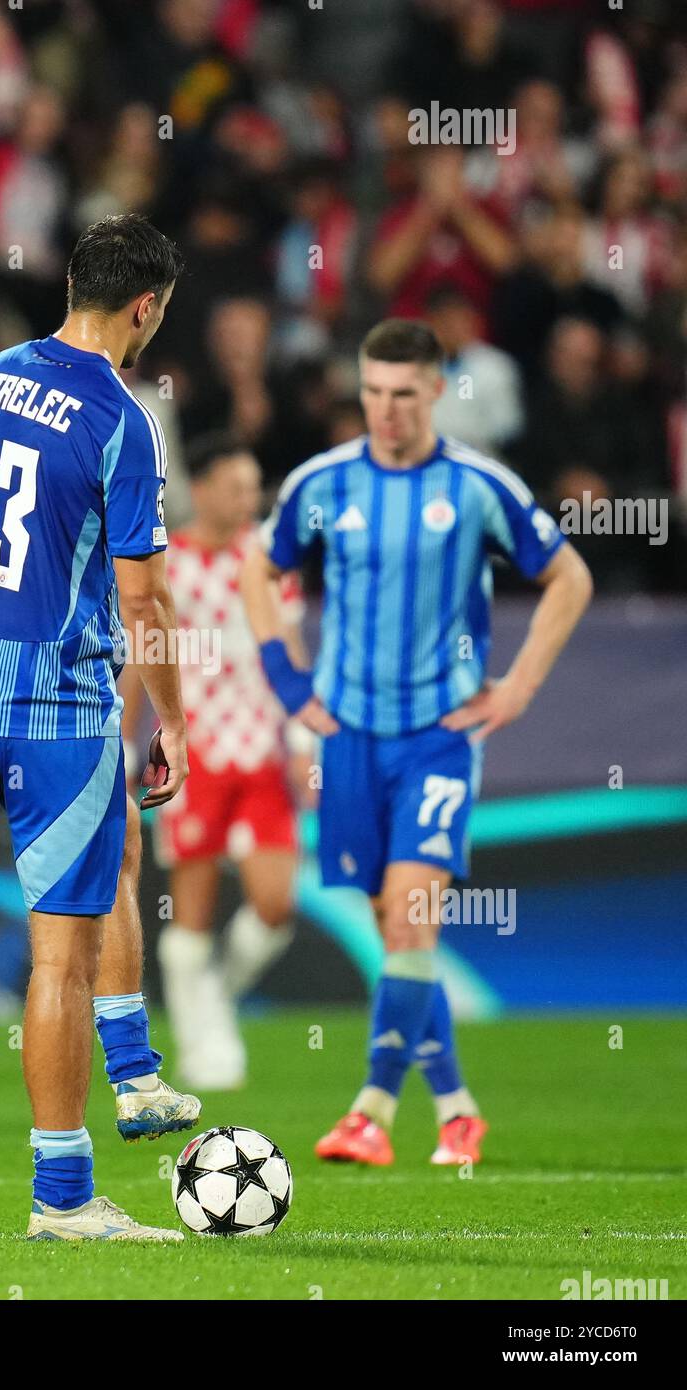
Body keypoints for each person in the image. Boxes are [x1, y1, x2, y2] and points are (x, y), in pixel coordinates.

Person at [242, 319, 593, 1167]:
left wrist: (518, 686)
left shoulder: (476, 486)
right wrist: (291, 686)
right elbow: (262, 568)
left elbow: (568, 577)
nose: (386, 410)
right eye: (371, 392)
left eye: (403, 394)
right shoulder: (324, 482)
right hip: (351, 737)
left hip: (438, 735)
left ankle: (369, 1110)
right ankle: (458, 1107)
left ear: (437, 391)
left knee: (409, 917)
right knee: (400, 931)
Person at [0, 213, 199, 1242]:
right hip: (55, 706)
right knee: (58, 954)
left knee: (113, 845)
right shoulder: (123, 418)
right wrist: (169, 721)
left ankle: (133, 1075)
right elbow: (146, 607)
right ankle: (64, 1197)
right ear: (144, 306)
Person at [120, 432, 306, 1090]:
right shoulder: (165, 563)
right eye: (235, 487)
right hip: (192, 757)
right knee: (190, 911)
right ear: (199, 490)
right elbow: (145, 654)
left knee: (275, 904)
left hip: (259, 752)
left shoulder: (269, 560)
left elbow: (288, 648)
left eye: (254, 487)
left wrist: (306, 743)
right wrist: (124, 744)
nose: (247, 499)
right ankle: (201, 1041)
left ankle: (214, 998)